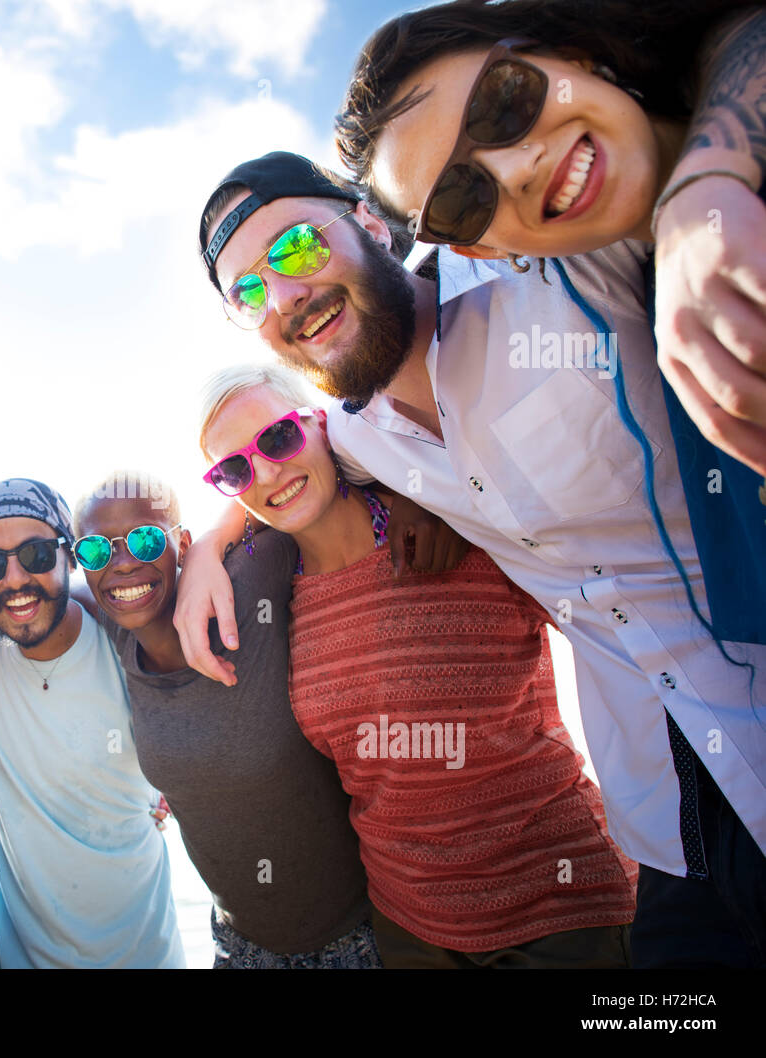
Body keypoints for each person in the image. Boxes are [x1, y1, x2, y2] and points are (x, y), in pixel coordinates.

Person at [184, 150, 766, 967]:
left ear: (374, 223)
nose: (283, 293)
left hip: (592, 867)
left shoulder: (547, 287)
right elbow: (283, 470)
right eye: (250, 292)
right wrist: (212, 541)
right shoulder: (362, 436)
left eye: (296, 249)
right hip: (666, 827)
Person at [333, 0, 766, 652]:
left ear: (568, 54)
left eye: (505, 104)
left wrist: (710, 179)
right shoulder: (640, 305)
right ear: (480, 250)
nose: (516, 169)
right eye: (461, 198)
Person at [199, 363, 636, 967]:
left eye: (277, 438)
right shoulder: (266, 597)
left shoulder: (455, 519)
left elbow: (626, 634)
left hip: (564, 909)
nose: (267, 472)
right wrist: (203, 546)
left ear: (322, 425)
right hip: (412, 932)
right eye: (235, 468)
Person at [67, 470, 378, 968]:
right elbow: (28, 599)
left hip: (358, 941)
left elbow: (305, 476)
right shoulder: (118, 625)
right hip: (238, 948)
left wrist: (215, 543)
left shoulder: (246, 583)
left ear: (181, 545)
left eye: (145, 541)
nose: (121, 565)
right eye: (96, 552)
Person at [0, 478, 183, 968]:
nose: (15, 578)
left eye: (37, 554)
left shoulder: (126, 641)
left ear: (71, 556)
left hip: (148, 955)